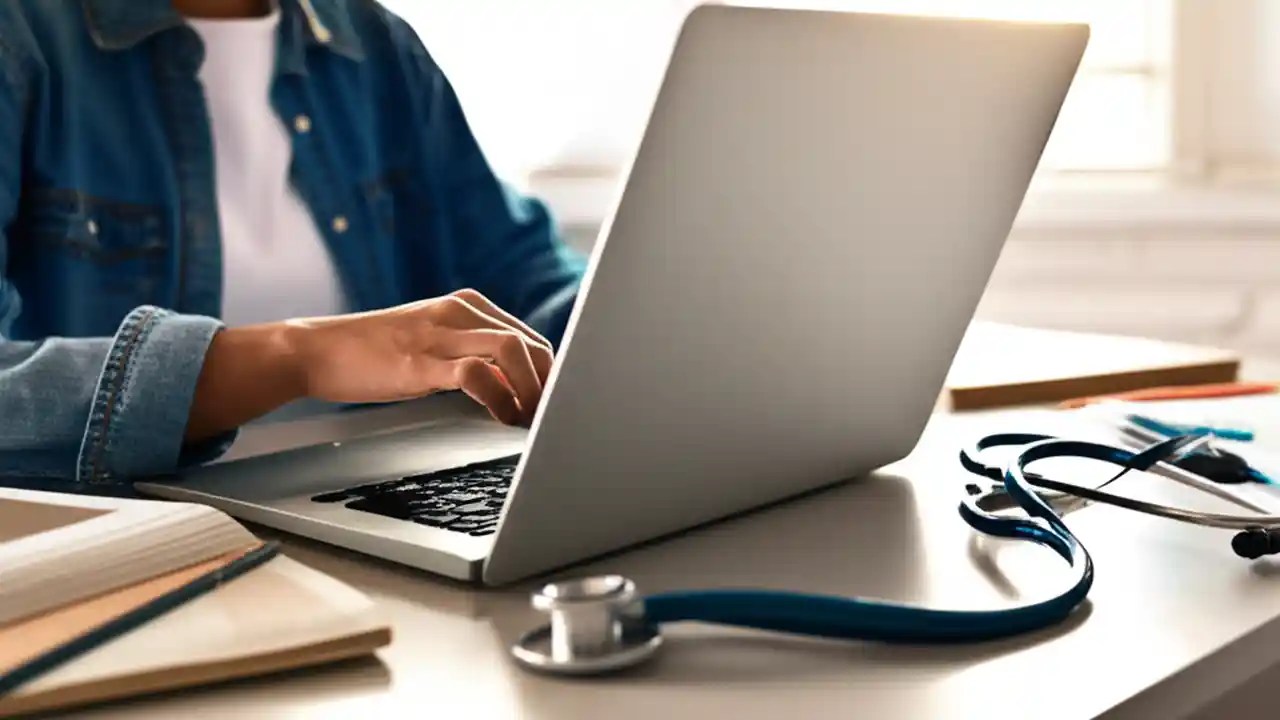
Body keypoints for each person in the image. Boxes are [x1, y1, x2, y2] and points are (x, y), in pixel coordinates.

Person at [0, 0, 586, 492]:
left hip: (372, 514)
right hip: (129, 546)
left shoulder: (374, 46)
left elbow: (521, 284)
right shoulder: (22, 37)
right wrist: (302, 357)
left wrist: (650, 299)